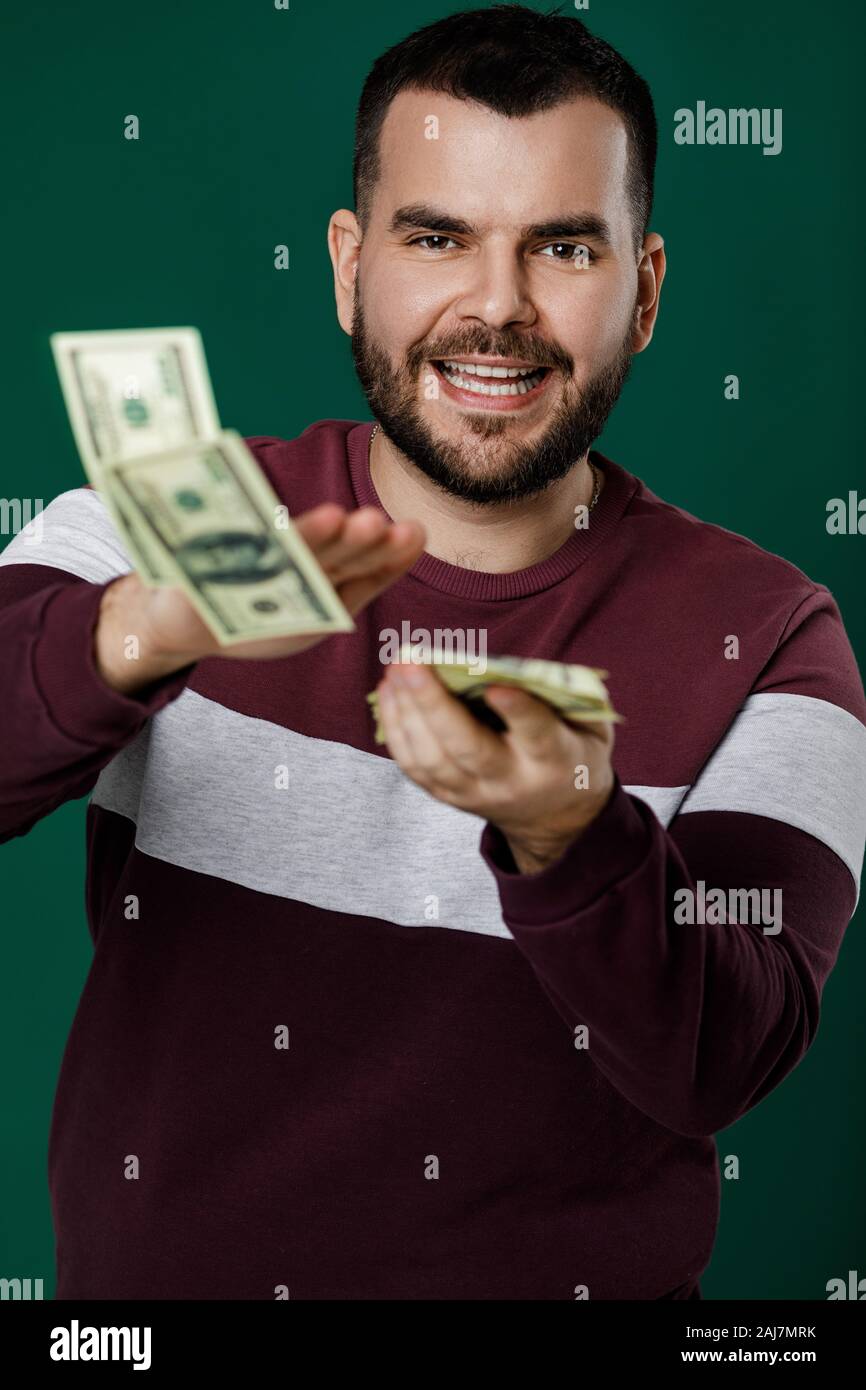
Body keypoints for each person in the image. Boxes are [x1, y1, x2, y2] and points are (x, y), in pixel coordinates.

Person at [1, 5, 864, 1301]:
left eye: (563, 246)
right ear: (349, 263)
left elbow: (724, 1057)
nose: (496, 308)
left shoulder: (778, 638)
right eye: (437, 237)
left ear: (645, 289)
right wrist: (145, 630)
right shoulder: (157, 515)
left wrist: (573, 835)